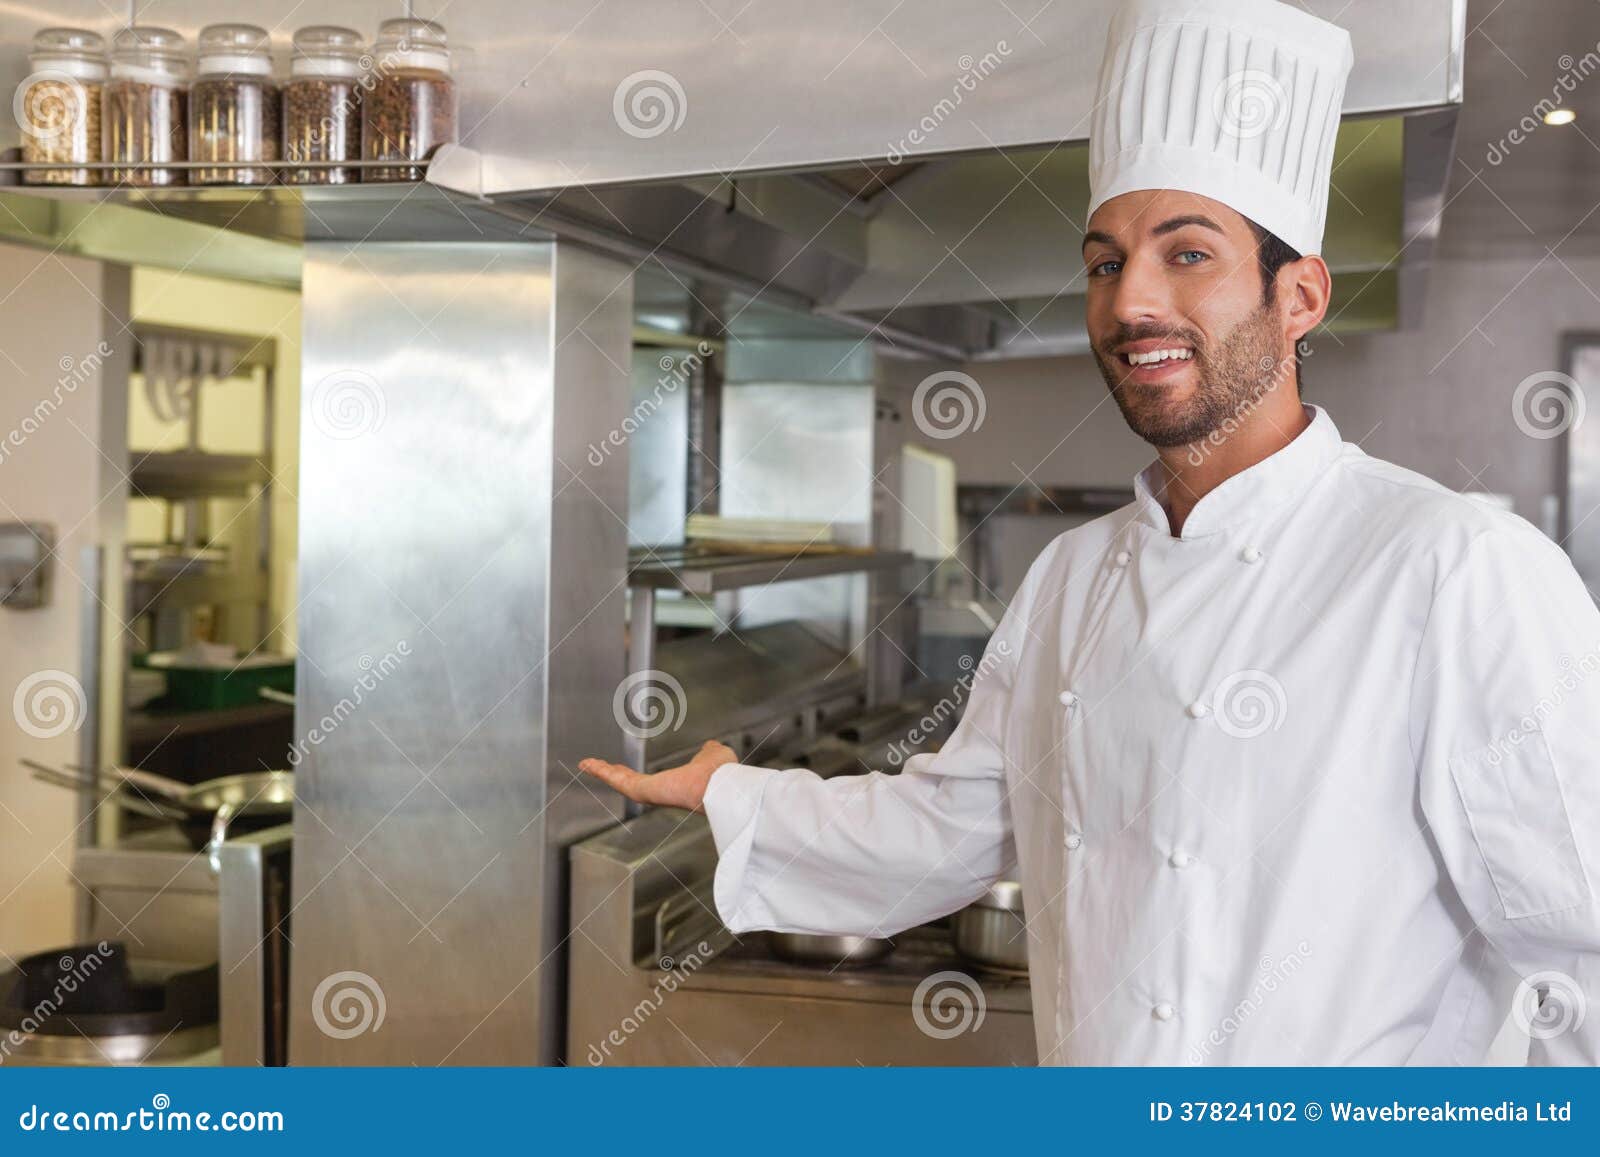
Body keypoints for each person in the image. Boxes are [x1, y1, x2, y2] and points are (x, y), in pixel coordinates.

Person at [582, 0, 1600, 1065]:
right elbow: (960, 826)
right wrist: (734, 793)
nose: (1131, 304)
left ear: (1297, 296)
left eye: (1188, 252)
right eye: (1105, 262)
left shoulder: (1452, 569)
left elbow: (1579, 944)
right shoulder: (1072, 576)